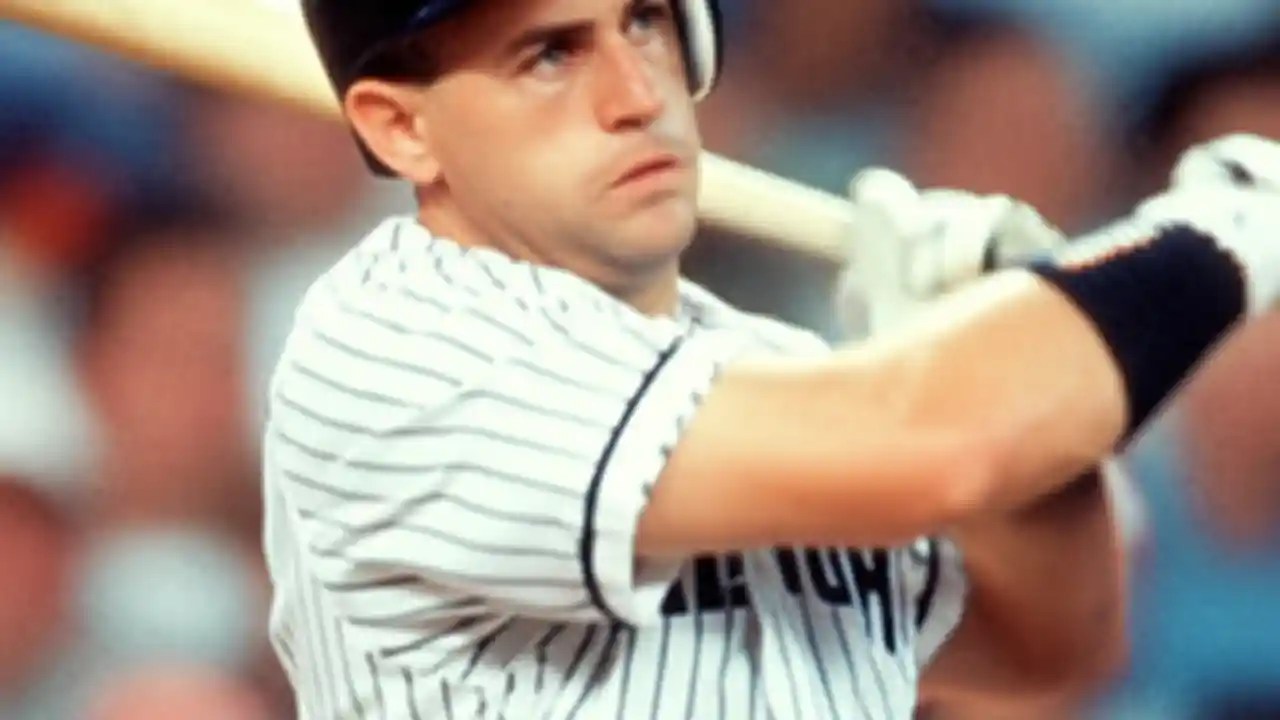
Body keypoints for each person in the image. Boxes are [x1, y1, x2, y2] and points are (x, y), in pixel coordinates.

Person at [263, 1, 1280, 717]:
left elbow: (1047, 654)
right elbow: (937, 447)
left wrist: (977, 322)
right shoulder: (397, 342)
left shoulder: (761, 364)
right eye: (548, 55)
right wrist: (1218, 230)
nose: (634, 92)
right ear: (401, 128)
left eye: (645, 20)